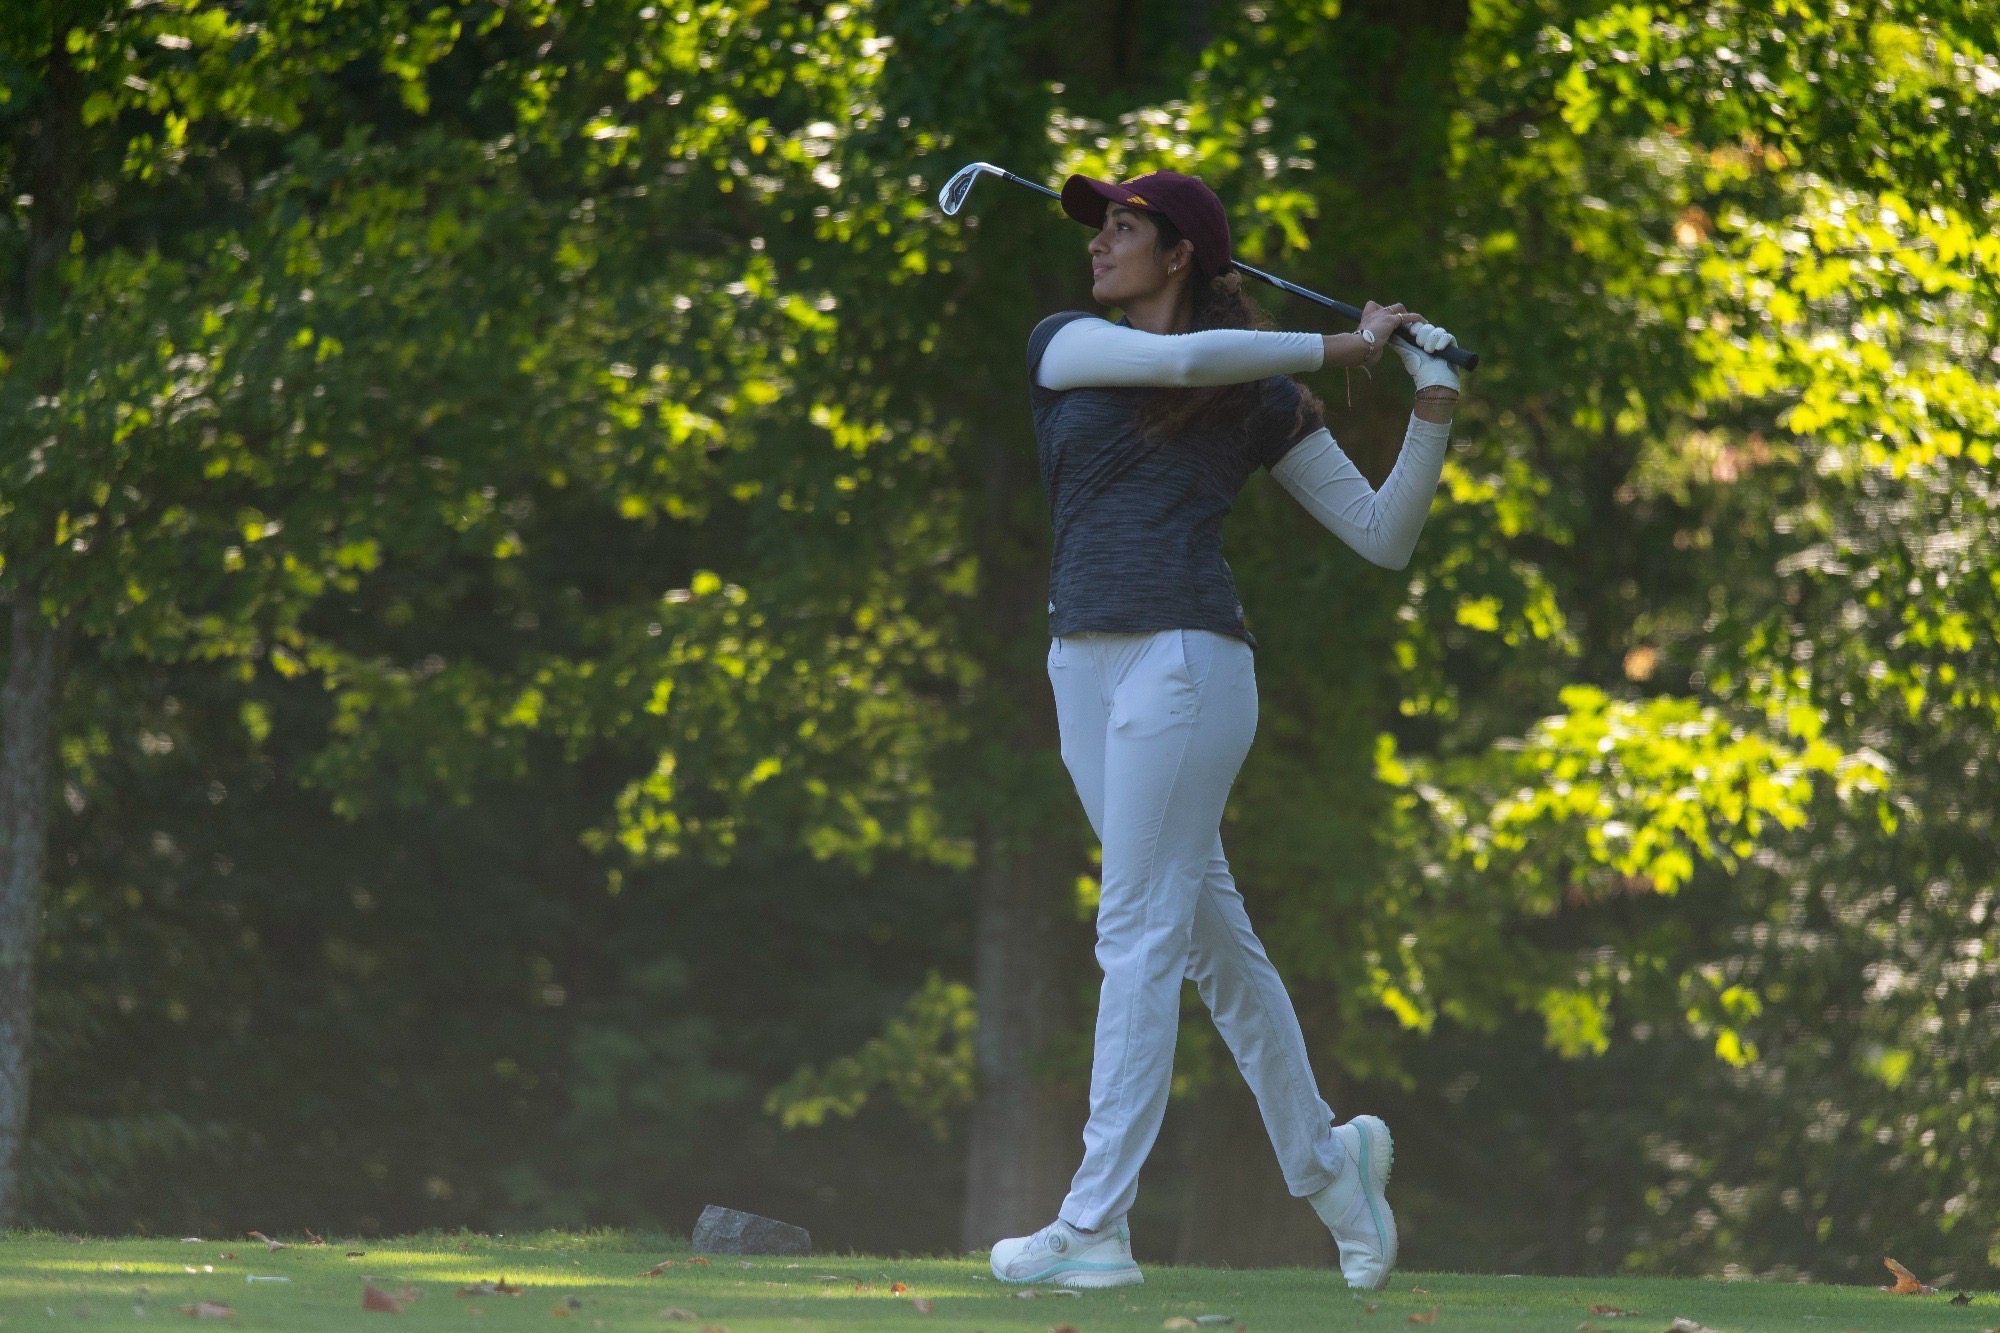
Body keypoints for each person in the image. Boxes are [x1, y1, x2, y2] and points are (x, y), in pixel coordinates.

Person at [987, 169, 1463, 1293]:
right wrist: (1346, 350)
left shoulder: (1261, 396)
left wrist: (1429, 403)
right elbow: (1182, 363)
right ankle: (1329, 1164)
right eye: (1100, 226)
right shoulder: (1068, 342)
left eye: (1122, 228)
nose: (1097, 245)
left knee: (1139, 929)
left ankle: (1095, 1226)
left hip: (1186, 662)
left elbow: (1379, 532)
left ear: (1182, 255)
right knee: (1203, 937)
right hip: (1080, 665)